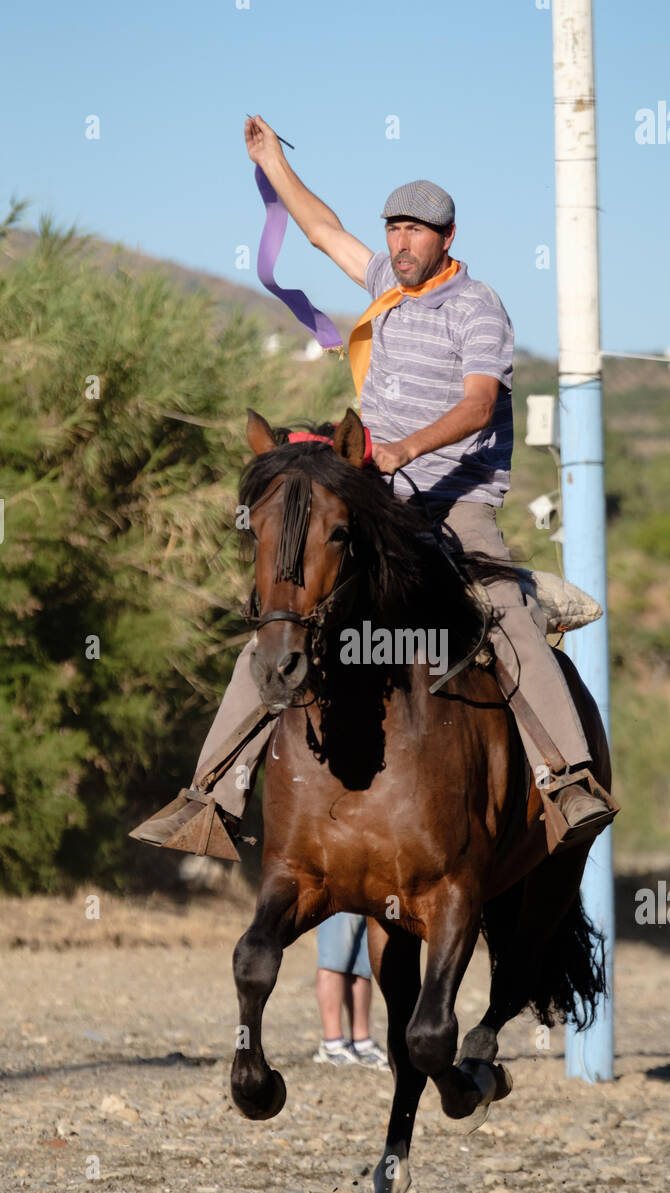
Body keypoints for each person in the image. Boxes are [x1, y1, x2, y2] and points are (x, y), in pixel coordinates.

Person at [132, 116, 616, 856]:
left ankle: (566, 776)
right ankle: (210, 798)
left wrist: (404, 449)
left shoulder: (478, 307)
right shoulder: (386, 283)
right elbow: (324, 231)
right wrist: (271, 163)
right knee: (284, 614)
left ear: (447, 239)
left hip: (457, 504)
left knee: (504, 612)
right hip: (376, 500)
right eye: (393, 229)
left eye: (416, 231)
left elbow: (480, 404)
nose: (400, 243)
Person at [312, 914, 388, 1069]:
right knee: (333, 963)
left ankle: (362, 1043)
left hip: (368, 896)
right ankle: (332, 1044)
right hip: (340, 896)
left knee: (361, 968)